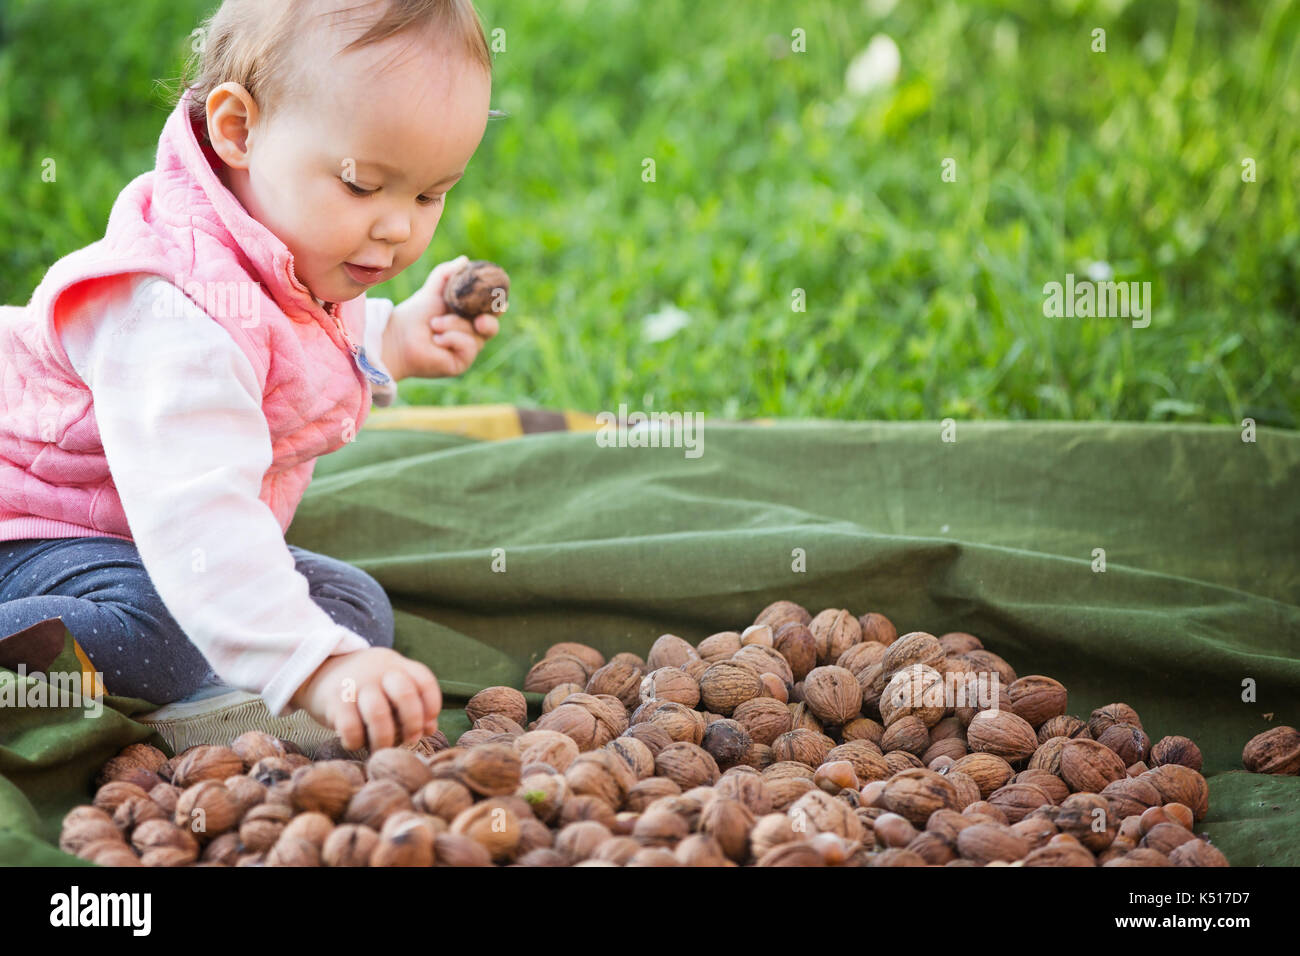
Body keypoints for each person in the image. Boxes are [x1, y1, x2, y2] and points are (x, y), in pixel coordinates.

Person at [0, 0, 500, 752]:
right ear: (239, 130)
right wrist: (317, 670)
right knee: (163, 632)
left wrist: (395, 336)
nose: (399, 228)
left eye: (429, 194)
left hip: (127, 533)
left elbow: (298, 338)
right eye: (364, 186)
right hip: (33, 522)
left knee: (349, 606)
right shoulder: (173, 316)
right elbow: (197, 512)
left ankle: (218, 686)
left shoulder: (278, 244)